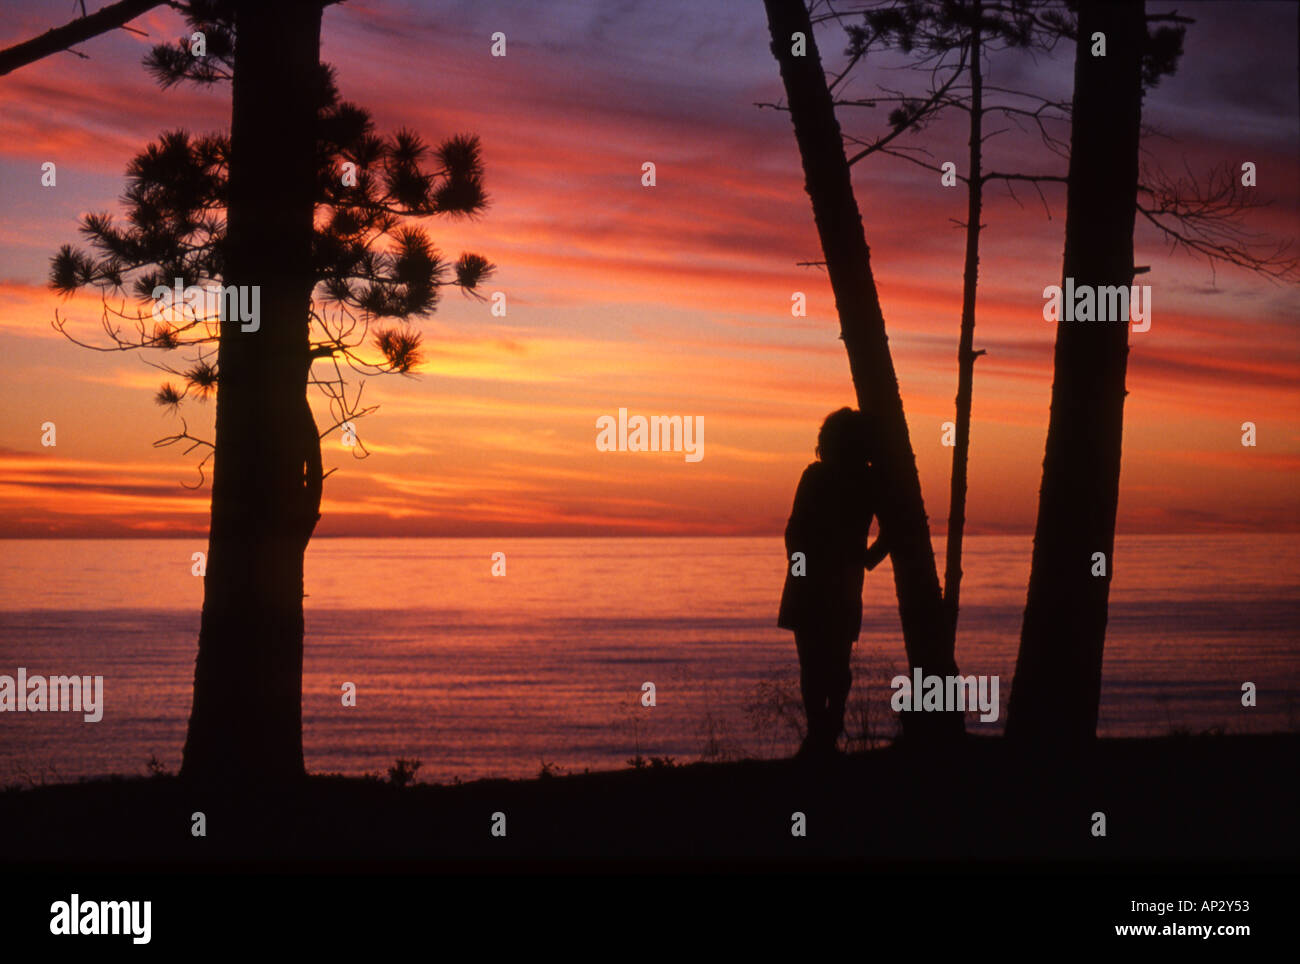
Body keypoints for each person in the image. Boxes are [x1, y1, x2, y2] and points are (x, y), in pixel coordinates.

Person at [777, 407, 889, 760]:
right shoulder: (862, 481)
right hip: (827, 585)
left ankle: (824, 733)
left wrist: (864, 560)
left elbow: (794, 531)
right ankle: (823, 733)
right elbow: (794, 532)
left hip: (823, 585)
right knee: (826, 666)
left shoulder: (854, 480)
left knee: (824, 666)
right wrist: (866, 560)